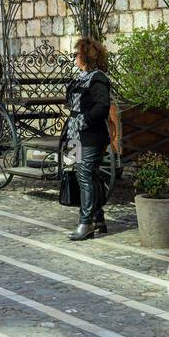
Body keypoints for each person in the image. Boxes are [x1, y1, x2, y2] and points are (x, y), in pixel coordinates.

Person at [65, 37, 112, 241]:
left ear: (85, 55)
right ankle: (98, 218)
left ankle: (86, 223)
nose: (74, 57)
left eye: (76, 54)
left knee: (85, 174)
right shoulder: (81, 77)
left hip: (90, 136)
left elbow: (102, 107)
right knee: (83, 174)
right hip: (75, 136)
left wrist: (84, 119)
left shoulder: (98, 78)